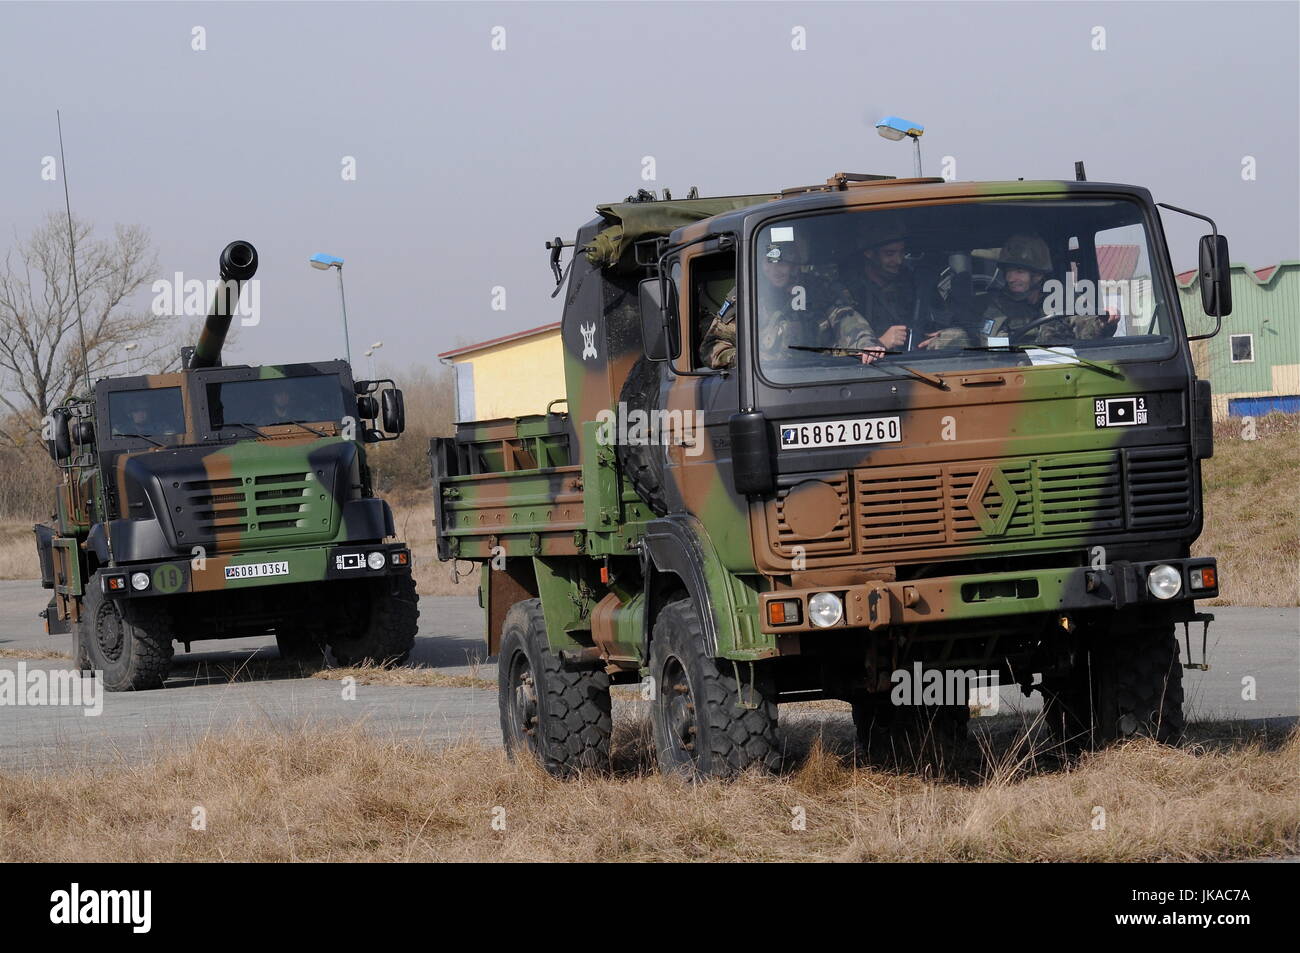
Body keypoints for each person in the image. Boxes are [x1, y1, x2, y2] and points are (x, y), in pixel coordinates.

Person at [699, 238, 882, 369]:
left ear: (794, 265)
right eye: (768, 264)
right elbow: (712, 347)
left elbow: (846, 320)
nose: (774, 270)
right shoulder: (746, 295)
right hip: (767, 384)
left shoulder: (818, 289)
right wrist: (745, 359)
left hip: (822, 375)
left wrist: (865, 343)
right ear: (760, 265)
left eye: (782, 264)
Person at [844, 224, 970, 352]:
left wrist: (943, 337)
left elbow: (949, 322)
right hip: (873, 369)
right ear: (869, 253)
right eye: (890, 254)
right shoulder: (848, 293)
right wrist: (881, 343)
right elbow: (835, 353)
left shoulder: (917, 285)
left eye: (902, 252)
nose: (898, 260)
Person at [979, 233, 1117, 344]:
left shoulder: (1064, 298)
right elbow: (994, 349)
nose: (1010, 278)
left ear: (1037, 275)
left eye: (1019, 272)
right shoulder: (998, 306)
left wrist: (1104, 321)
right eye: (1008, 272)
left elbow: (1086, 328)